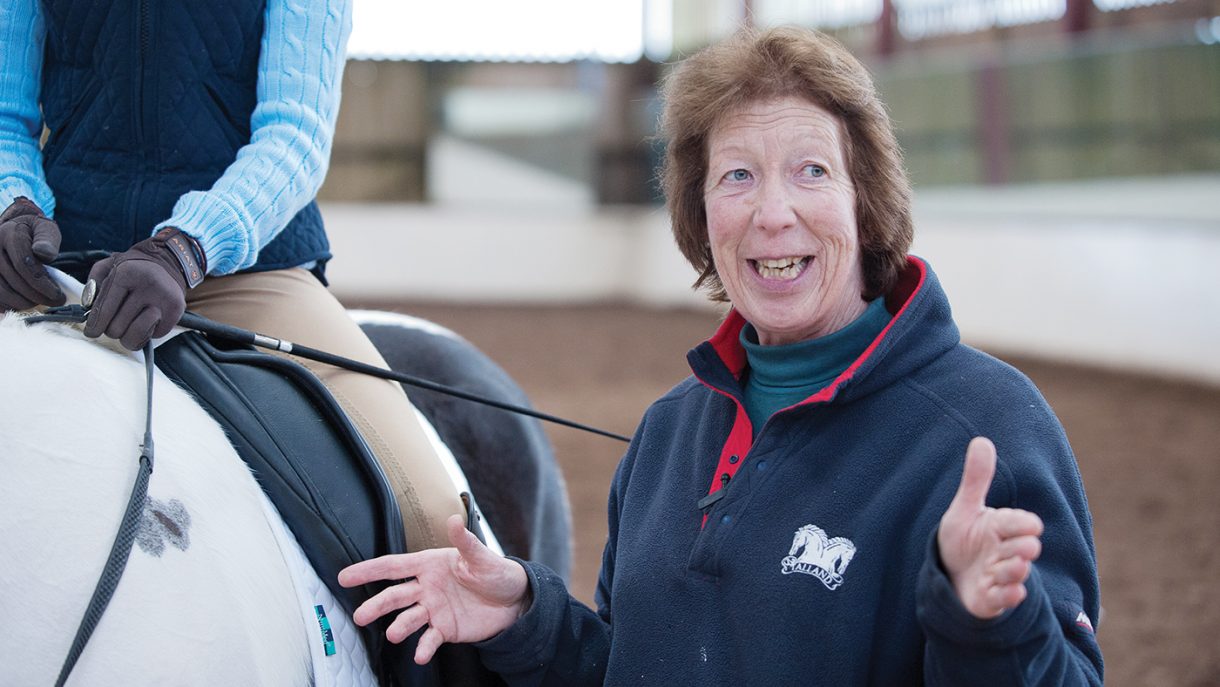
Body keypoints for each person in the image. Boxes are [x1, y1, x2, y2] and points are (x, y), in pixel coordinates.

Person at [338, 26, 1105, 685]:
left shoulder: (987, 428)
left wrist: (989, 619)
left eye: (812, 171)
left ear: (865, 204)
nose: (773, 215)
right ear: (701, 218)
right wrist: (526, 619)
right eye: (737, 176)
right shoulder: (669, 431)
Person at [0, 0, 463, 553]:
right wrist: (15, 205)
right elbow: (5, 114)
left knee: (432, 524)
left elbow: (295, 136)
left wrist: (185, 248)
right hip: (56, 266)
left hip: (241, 271)